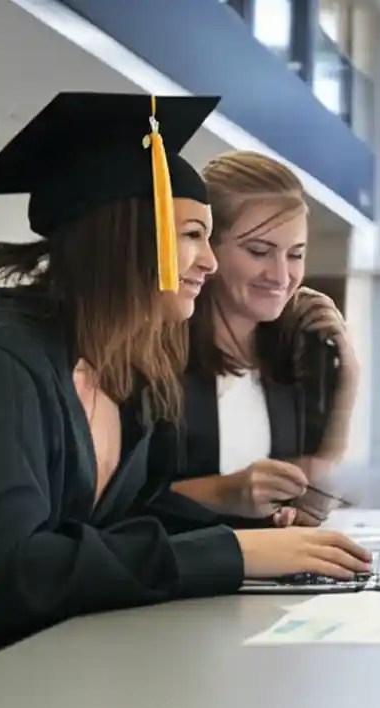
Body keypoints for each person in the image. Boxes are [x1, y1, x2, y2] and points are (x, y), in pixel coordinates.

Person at [0, 92, 369, 651]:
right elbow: (11, 571)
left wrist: (241, 524)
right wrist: (232, 552)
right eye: (193, 235)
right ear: (127, 238)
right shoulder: (6, 362)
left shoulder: (120, 370)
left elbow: (117, 523)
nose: (210, 262)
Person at [138, 150, 360, 531]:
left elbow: (312, 487)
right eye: (259, 251)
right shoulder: (151, 355)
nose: (281, 275)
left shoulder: (288, 355)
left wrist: (349, 375)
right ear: (207, 249)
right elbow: (119, 505)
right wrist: (226, 492)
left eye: (295, 255)